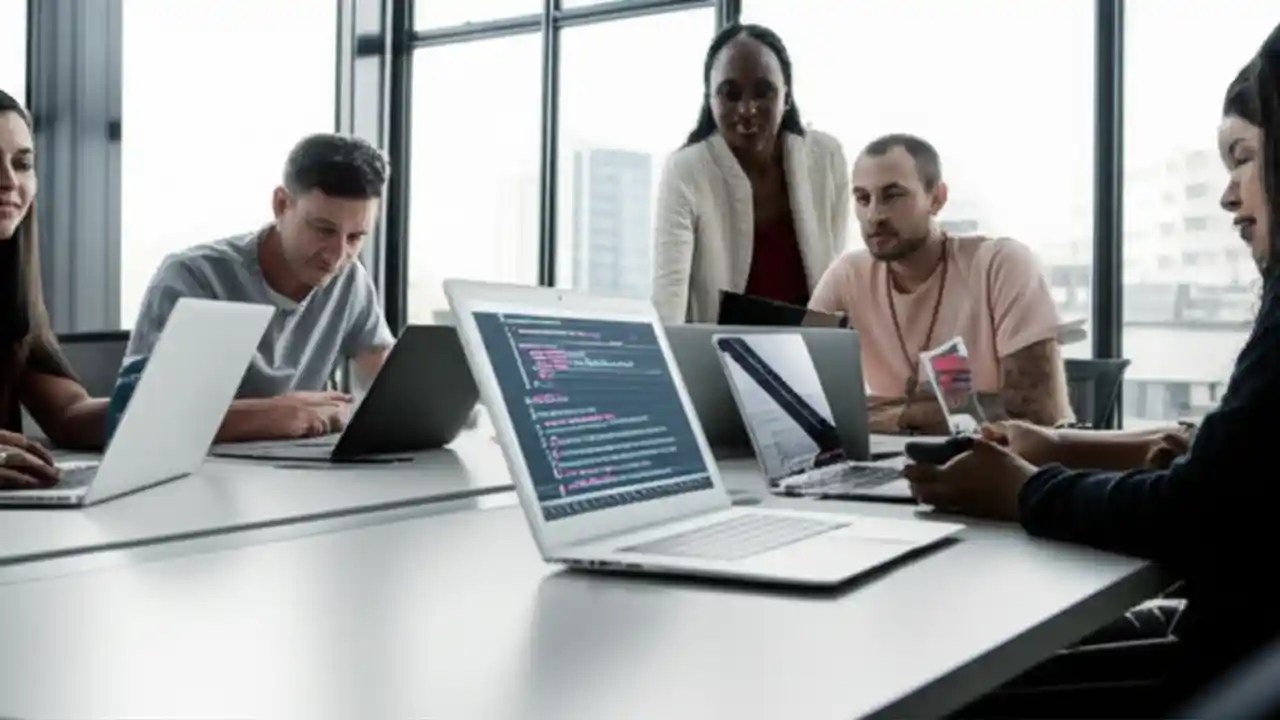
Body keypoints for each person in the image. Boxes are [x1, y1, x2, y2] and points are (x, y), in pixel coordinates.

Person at [907, 41, 1280, 712]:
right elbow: (1230, 463)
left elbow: (1198, 511)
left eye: (1245, 158)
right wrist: (1054, 448)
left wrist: (1027, 491)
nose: (1228, 195)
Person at [116, 133, 396, 442]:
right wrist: (275, 415)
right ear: (281, 205)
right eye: (323, 229)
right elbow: (141, 416)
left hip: (299, 470)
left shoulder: (348, 279)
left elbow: (384, 370)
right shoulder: (194, 278)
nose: (337, 254)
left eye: (355, 237)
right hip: (202, 470)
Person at [808, 133, 1073, 434]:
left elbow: (1038, 413)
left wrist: (885, 414)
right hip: (900, 464)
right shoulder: (847, 275)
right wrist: (922, 415)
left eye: (893, 195)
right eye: (862, 198)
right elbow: (798, 399)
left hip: (1002, 467)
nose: (874, 215)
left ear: (936, 198)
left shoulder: (1002, 264)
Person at [652, 23, 850, 324]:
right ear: (710, 99)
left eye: (763, 92)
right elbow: (669, 299)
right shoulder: (685, 170)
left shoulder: (826, 157)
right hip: (713, 358)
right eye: (730, 94)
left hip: (809, 355)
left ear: (787, 96)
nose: (746, 109)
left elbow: (837, 281)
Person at [0, 89, 107, 487]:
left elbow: (69, 413)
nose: (9, 181)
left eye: (22, 164)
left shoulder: (9, 291)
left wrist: (172, 411)